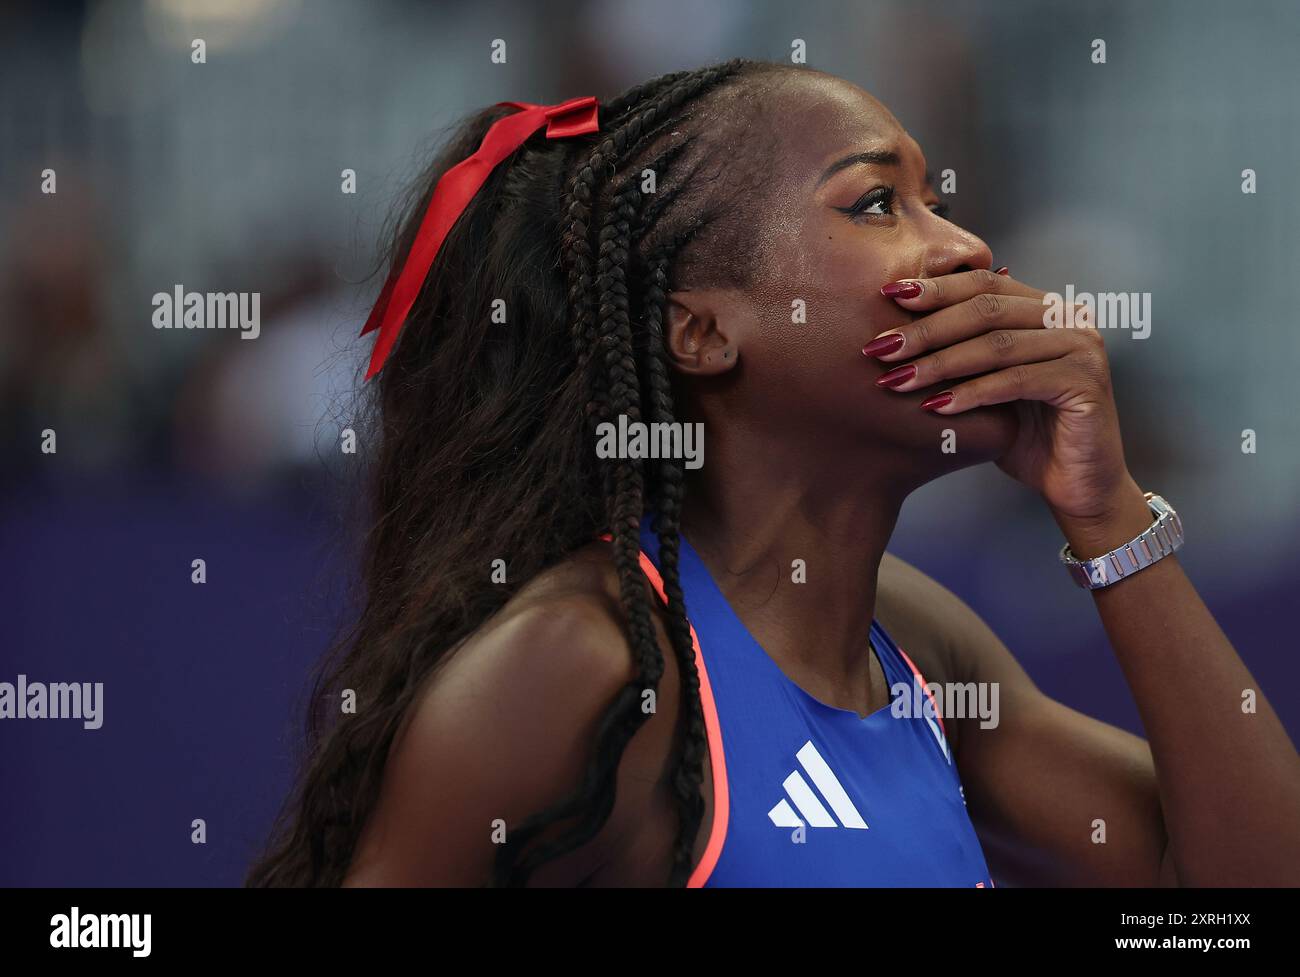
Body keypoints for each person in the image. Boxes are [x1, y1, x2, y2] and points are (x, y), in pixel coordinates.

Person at [247, 58, 1300, 887]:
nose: (969, 249)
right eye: (878, 203)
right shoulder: (580, 665)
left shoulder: (918, 645)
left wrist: (1108, 517)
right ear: (701, 329)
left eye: (937, 199)